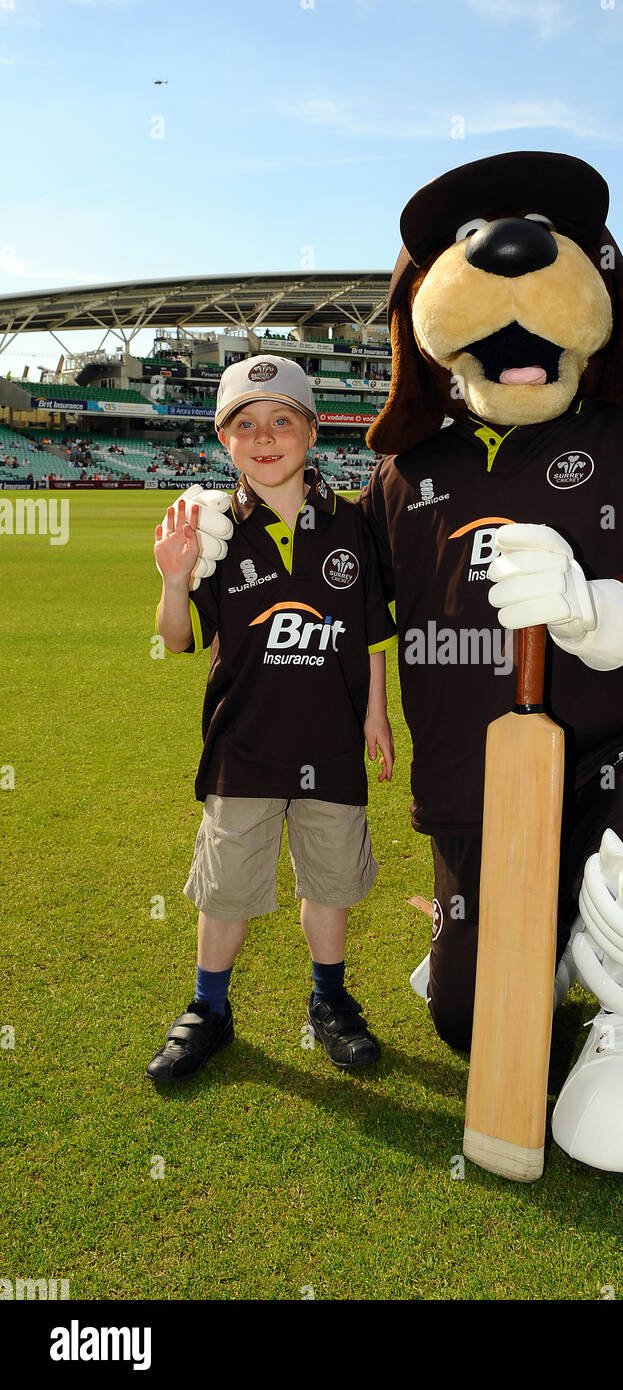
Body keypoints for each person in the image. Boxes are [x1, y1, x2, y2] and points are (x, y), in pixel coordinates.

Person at [147, 355, 397, 1084]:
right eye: (245, 424)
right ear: (225, 442)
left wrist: (377, 714)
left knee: (330, 882)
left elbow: (375, 630)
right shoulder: (214, 532)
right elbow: (179, 639)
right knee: (227, 886)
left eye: (282, 420)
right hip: (244, 745)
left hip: (333, 739)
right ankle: (208, 1010)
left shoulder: (352, 524)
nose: (265, 436)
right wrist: (172, 576)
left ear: (312, 431)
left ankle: (329, 1001)